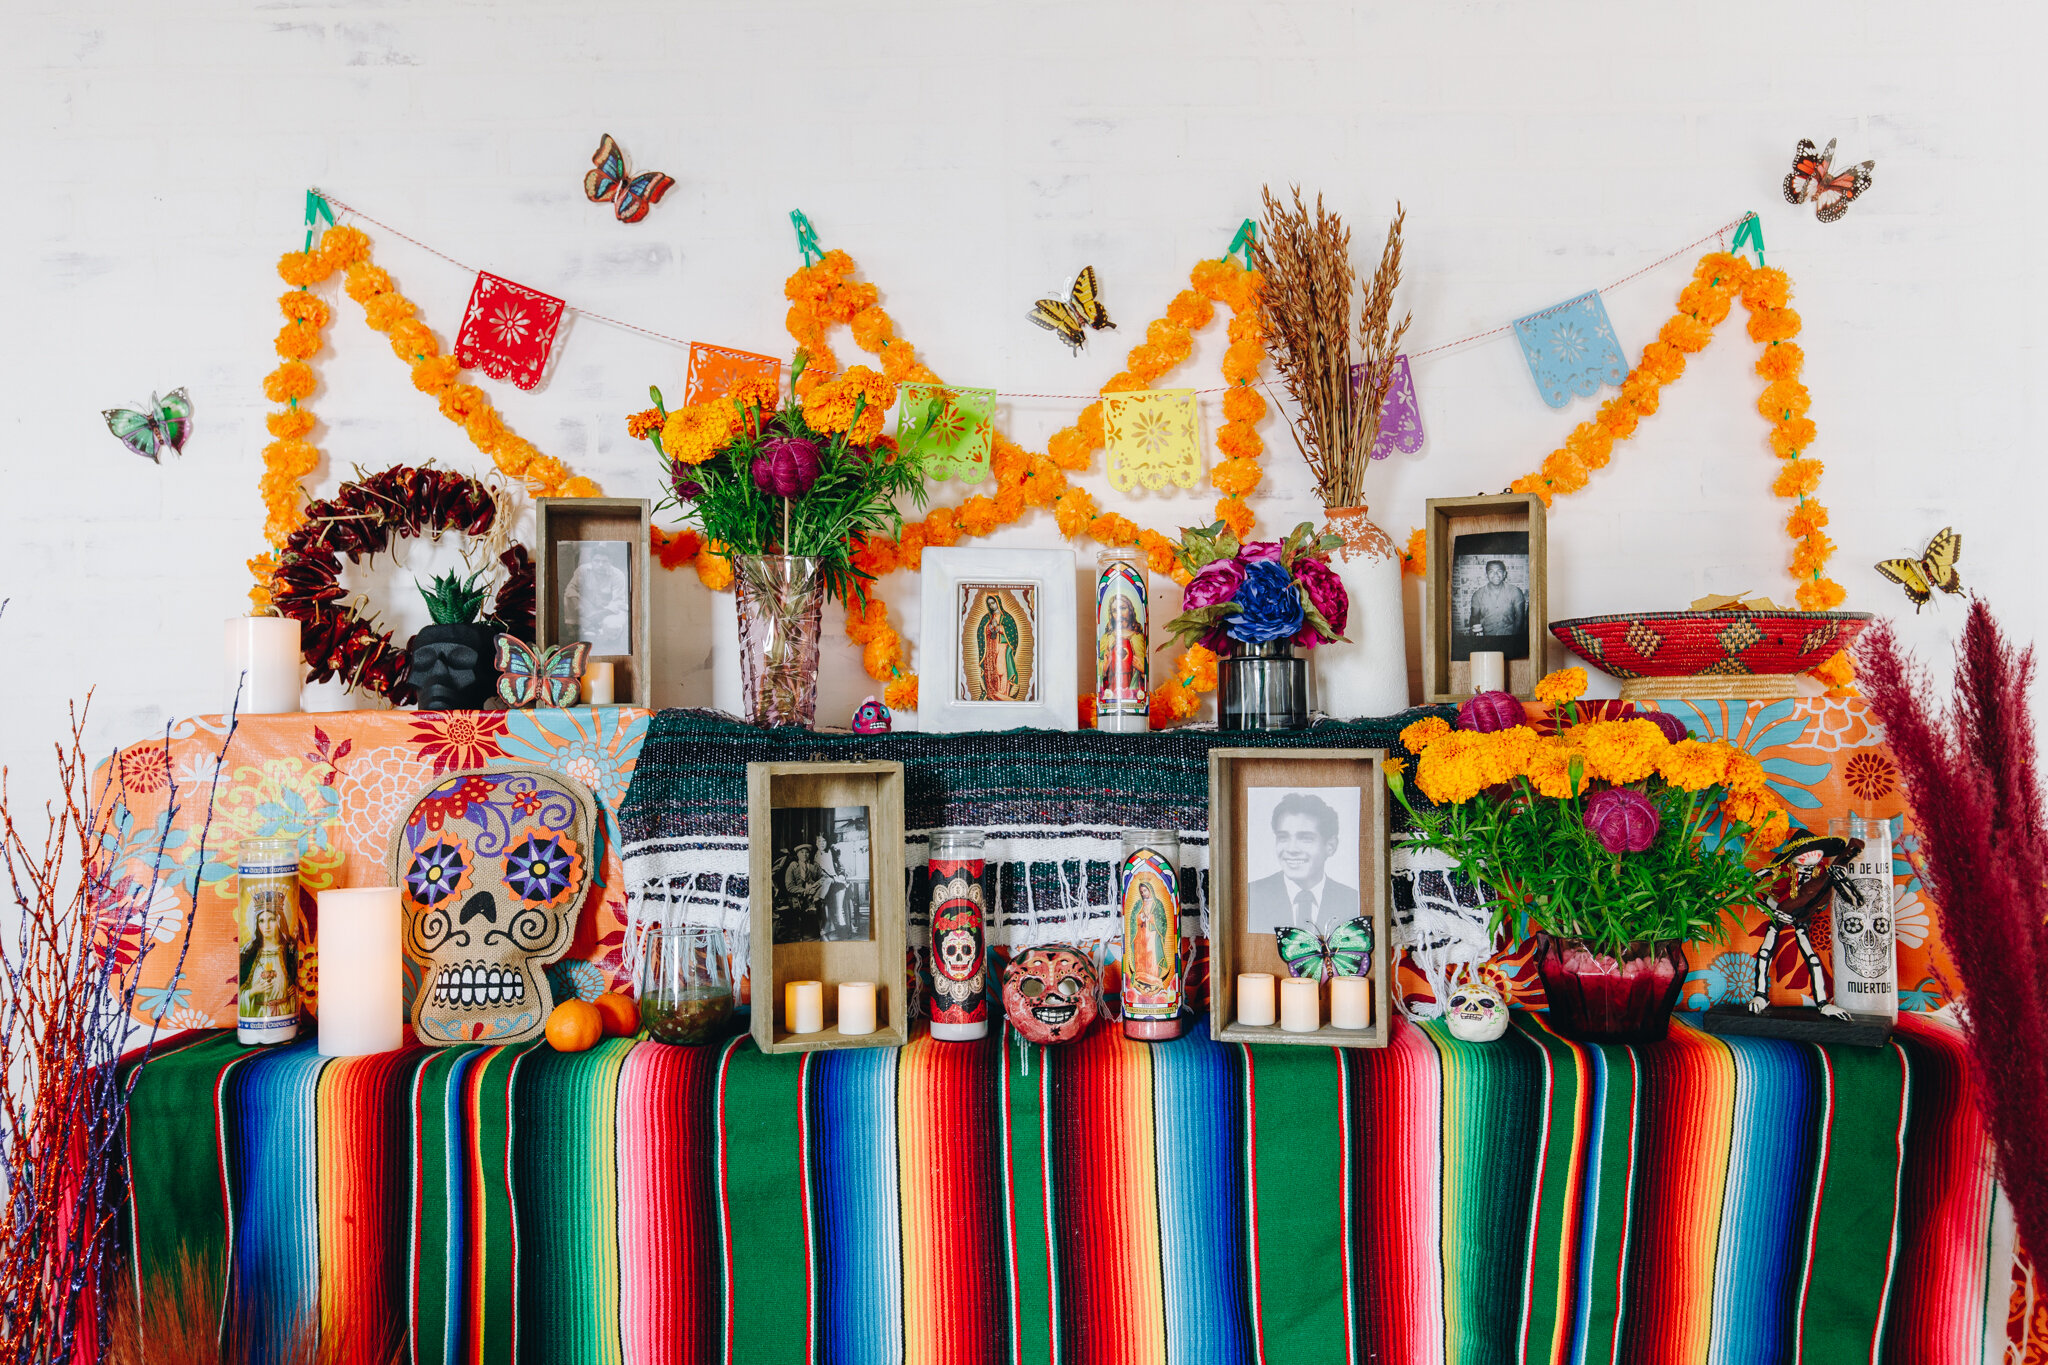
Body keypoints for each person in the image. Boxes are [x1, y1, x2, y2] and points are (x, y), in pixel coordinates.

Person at [1246, 792, 1359, 931]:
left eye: (1305, 838)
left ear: (1330, 846)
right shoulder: (1252, 895)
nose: (1291, 849)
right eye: (1283, 837)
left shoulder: (1353, 900)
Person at [1466, 560, 1527, 641]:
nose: (1496, 575)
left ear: (1504, 574)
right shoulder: (1478, 595)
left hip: (1509, 636)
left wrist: (1513, 639)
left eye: (1499, 571)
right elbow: (1474, 618)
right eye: (1491, 572)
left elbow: (1520, 618)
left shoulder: (1515, 592)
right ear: (1486, 575)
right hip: (1487, 638)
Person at [976, 592, 1021, 700]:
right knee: (993, 669)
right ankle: (993, 692)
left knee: (1002, 670)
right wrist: (989, 628)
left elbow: (1012, 632)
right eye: (989, 604)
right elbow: (981, 631)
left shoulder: (1007, 617)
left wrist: (1000, 628)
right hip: (990, 648)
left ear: (998, 602)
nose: (992, 606)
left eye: (993, 603)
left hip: (1003, 647)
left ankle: (1003, 693)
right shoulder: (986, 618)